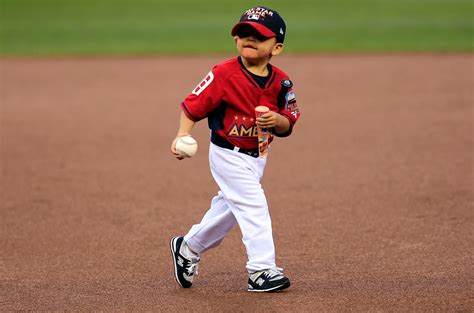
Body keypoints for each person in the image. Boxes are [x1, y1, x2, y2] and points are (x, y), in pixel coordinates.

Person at [169, 5, 300, 292]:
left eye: (258, 36)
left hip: (258, 156)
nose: (249, 38)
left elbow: (288, 122)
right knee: (253, 205)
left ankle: (188, 247)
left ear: (276, 47)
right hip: (227, 153)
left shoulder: (281, 81)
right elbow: (192, 106)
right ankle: (261, 270)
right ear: (235, 40)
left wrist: (277, 120)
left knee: (230, 209)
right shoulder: (224, 74)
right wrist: (182, 135)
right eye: (244, 33)